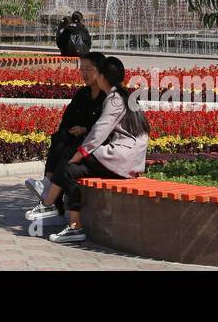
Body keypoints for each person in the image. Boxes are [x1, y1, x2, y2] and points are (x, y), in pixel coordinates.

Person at [26, 54, 149, 244]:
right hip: (119, 159)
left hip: (122, 160)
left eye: (92, 70)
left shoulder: (115, 99)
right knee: (69, 170)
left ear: (102, 77)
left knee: (71, 154)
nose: (85, 73)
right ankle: (76, 228)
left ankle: (48, 202)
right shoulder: (120, 95)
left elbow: (100, 130)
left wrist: (80, 153)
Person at [24, 55, 109, 213]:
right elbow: (67, 120)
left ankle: (51, 198)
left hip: (95, 148)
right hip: (76, 143)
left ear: (101, 71)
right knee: (61, 137)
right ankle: (48, 183)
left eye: (88, 69)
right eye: (81, 69)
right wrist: (71, 130)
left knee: (69, 154)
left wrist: (85, 129)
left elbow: (104, 127)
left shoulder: (108, 98)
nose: (84, 73)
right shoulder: (82, 94)